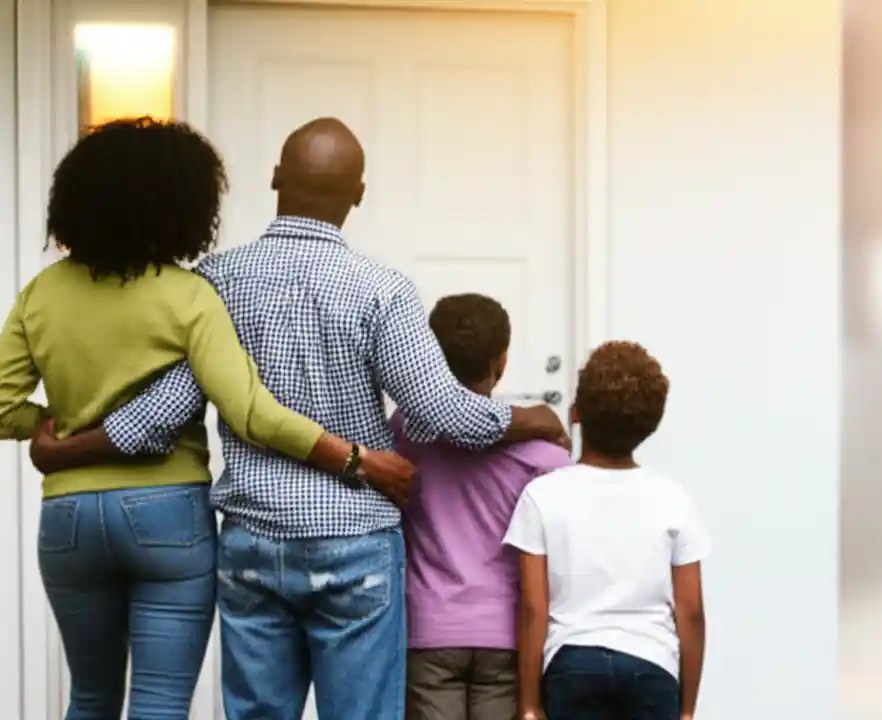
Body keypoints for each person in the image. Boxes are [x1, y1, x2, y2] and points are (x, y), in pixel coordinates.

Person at [31, 117, 568, 720]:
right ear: (359, 193)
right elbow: (441, 409)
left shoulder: (217, 282)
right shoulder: (381, 290)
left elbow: (165, 410)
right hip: (355, 541)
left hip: (252, 541)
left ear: (275, 177)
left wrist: (65, 449)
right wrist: (532, 418)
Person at [0, 117, 414, 720]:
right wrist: (354, 457)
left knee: (88, 697)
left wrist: (49, 429)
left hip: (68, 520)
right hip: (166, 517)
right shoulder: (188, 295)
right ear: (183, 202)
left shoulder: (42, 293)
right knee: (160, 702)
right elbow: (249, 410)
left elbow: (2, 404)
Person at [503, 342, 710, 720]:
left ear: (576, 413)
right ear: (652, 422)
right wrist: (687, 710)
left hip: (572, 666)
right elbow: (691, 611)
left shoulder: (541, 495)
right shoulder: (675, 500)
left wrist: (530, 705)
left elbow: (534, 606)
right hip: (652, 666)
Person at [393, 293, 572, 720]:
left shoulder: (403, 432)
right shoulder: (542, 457)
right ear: (502, 360)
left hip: (429, 632)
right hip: (505, 637)